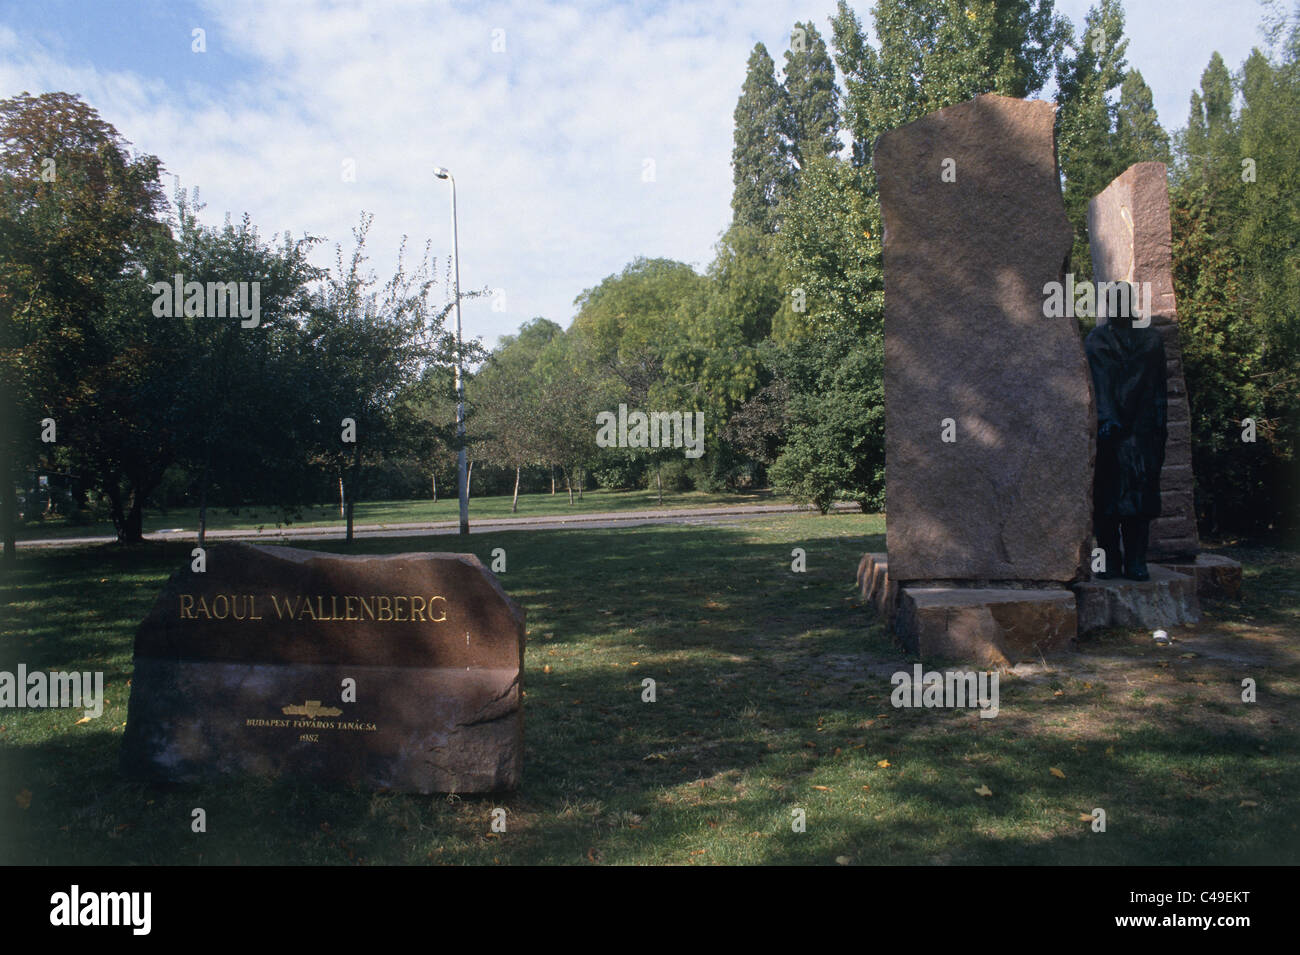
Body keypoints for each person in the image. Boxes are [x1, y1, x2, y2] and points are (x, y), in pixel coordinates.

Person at [1084, 297, 1167, 581]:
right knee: (1106, 500)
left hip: (1142, 432)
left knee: (1139, 500)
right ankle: (1108, 560)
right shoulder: (1097, 340)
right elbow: (1096, 383)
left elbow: (1158, 389)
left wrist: (1157, 428)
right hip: (1108, 431)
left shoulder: (1150, 341)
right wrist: (1106, 419)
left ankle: (1135, 560)